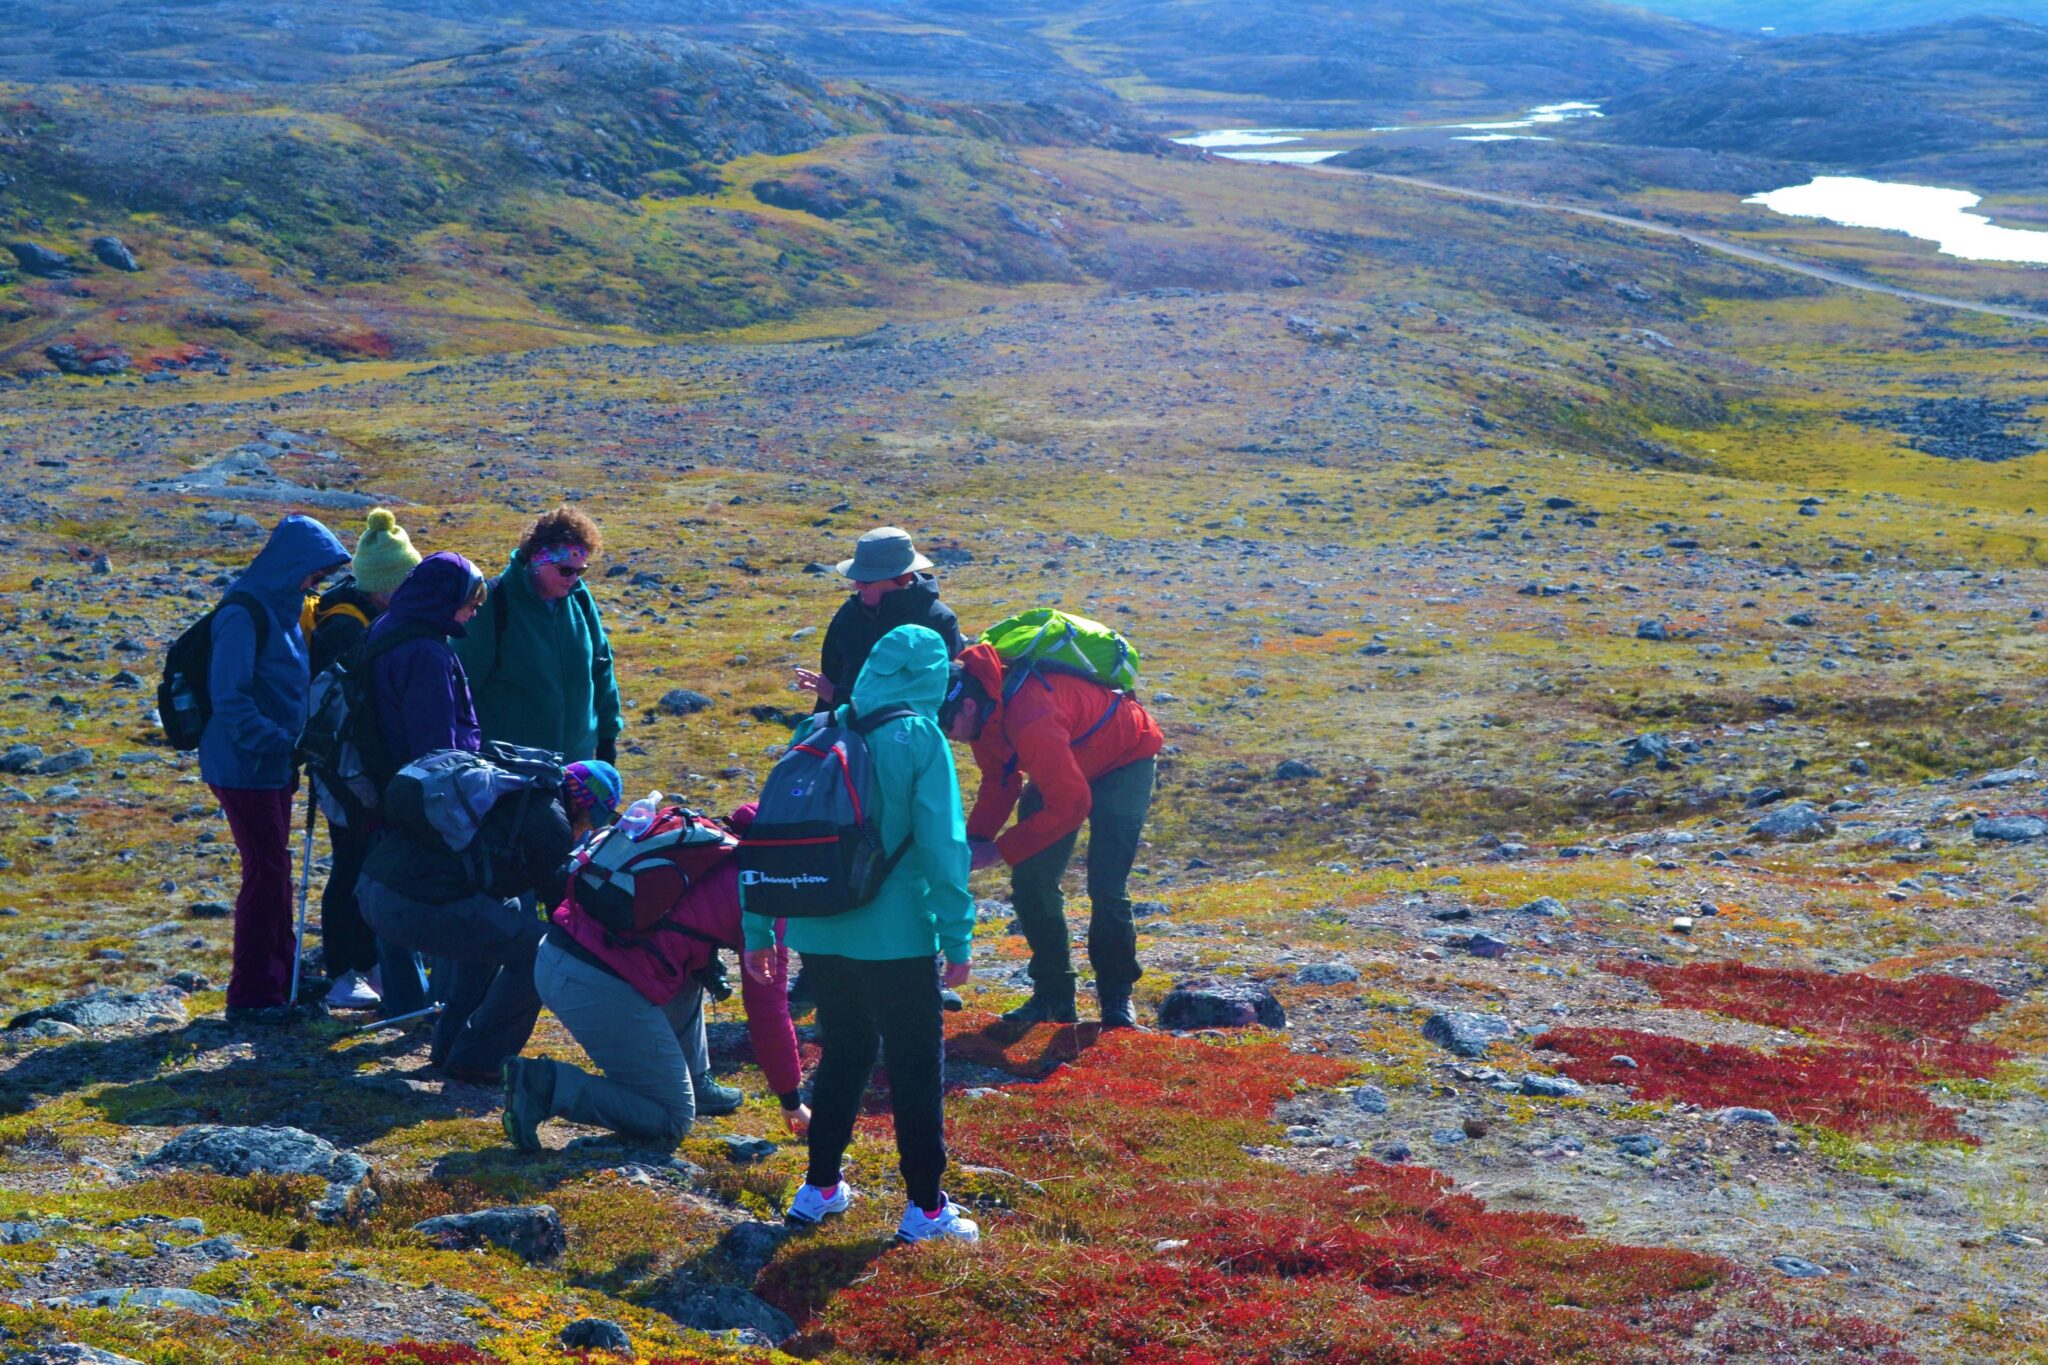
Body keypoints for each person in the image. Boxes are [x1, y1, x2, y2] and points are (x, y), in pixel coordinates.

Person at [746, 625, 980, 1245]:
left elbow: (770, 832)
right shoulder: (919, 736)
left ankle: (820, 1186)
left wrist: (758, 929)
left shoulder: (819, 729)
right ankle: (926, 1209)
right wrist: (957, 938)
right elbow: (943, 846)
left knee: (845, 1050)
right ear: (932, 677)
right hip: (897, 936)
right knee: (914, 1064)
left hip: (819, 928)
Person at [506, 802, 806, 1152]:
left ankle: (695, 1081)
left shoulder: (705, 849)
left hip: (559, 951)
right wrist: (791, 1098)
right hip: (592, 982)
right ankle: (545, 1085)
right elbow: (768, 1010)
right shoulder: (764, 896)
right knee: (672, 1117)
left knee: (701, 966)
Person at [941, 641, 1163, 1030]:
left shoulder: (1028, 716)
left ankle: (1115, 999)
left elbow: (1070, 805)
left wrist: (998, 850)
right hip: (1062, 763)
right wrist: (974, 841)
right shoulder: (985, 717)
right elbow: (999, 781)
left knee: (1106, 885)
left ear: (968, 706)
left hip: (1125, 758)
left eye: (946, 725)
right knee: (1031, 882)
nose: (947, 735)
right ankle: (1053, 996)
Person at [788, 526, 966, 1006]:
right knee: (835, 843)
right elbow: (836, 682)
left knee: (906, 850)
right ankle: (819, 963)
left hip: (906, 753)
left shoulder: (938, 620)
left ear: (899, 578)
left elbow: (937, 695)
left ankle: (921, 964)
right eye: (857, 579)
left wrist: (836, 698)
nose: (857, 588)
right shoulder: (848, 617)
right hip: (845, 749)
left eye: (866, 581)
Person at [358, 757, 616, 1084]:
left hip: (373, 891)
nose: (585, 832)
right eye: (591, 823)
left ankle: (451, 1046)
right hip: (412, 906)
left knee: (500, 919)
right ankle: (481, 1059)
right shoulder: (549, 820)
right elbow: (562, 913)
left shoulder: (515, 794)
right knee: (545, 950)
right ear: (583, 806)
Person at [200, 513, 351, 1027]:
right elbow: (231, 700)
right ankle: (251, 994)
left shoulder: (283, 607)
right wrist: (285, 744)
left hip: (271, 764)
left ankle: (279, 974)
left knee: (274, 869)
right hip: (244, 766)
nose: (318, 584)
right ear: (294, 565)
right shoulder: (244, 612)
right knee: (266, 872)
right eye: (315, 573)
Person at [308, 508, 421, 1011]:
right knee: (352, 863)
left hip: (356, 768)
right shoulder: (345, 627)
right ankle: (345, 969)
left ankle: (368, 961)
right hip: (345, 770)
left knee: (365, 862)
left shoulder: (368, 616)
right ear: (385, 584)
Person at [451, 505, 621, 764]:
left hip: (577, 761)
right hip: (514, 765)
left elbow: (601, 667)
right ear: (537, 560)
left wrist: (607, 738)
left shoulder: (579, 599)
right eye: (566, 570)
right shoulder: (494, 604)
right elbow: (461, 687)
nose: (574, 578)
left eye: (581, 570)